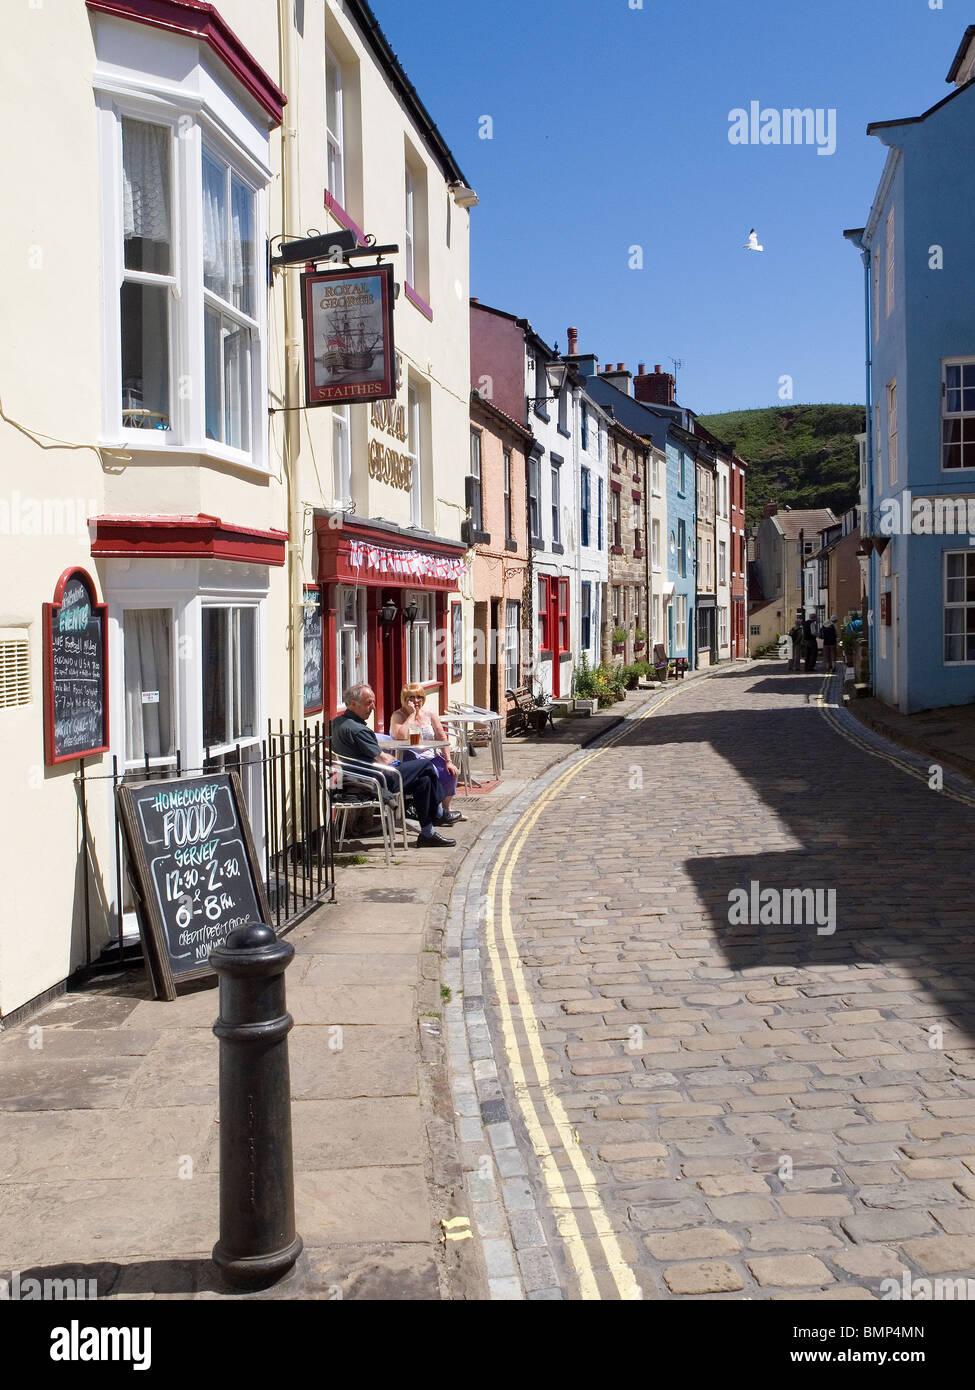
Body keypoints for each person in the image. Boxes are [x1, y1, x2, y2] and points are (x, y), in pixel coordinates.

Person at [331, 684, 456, 848]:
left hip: (357, 777)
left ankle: (427, 833)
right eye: (369, 702)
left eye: (374, 702)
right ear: (352, 703)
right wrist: (396, 762)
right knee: (425, 765)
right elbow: (383, 759)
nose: (373, 707)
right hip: (375, 780)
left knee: (424, 781)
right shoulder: (358, 730)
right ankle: (438, 813)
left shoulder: (337, 723)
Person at [388, 683, 464, 823]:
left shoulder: (429, 714)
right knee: (432, 773)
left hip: (430, 756)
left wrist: (448, 760)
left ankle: (445, 809)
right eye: (411, 698)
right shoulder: (397, 715)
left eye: (419, 697)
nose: (416, 701)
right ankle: (435, 811)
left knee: (450, 772)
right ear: (404, 699)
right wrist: (411, 716)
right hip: (409, 758)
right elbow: (400, 735)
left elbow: (442, 737)